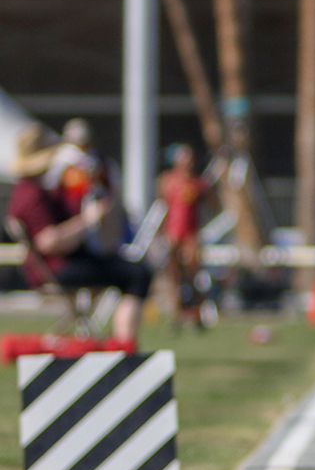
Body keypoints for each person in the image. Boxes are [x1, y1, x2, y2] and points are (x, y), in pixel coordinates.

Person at [8, 123, 151, 344]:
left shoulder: (32, 189)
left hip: (59, 264)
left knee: (128, 268)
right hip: (57, 268)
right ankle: (125, 345)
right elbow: (49, 242)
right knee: (137, 274)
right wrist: (87, 220)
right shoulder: (31, 194)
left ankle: (113, 342)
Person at [157, 144, 210, 329]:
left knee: (192, 272)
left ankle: (197, 313)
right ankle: (176, 314)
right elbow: (163, 206)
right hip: (173, 232)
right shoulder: (167, 181)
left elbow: (208, 203)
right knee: (173, 276)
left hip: (190, 234)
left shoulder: (196, 183)